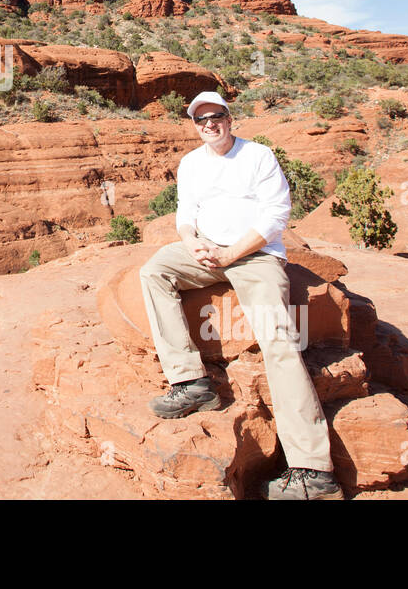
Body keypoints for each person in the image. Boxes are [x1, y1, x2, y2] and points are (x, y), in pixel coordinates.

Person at [138, 90, 342, 501]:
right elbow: (185, 213)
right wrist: (191, 242)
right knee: (153, 271)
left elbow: (276, 214)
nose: (209, 124)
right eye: (201, 119)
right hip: (207, 250)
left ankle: (314, 469)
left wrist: (233, 252)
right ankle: (192, 383)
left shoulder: (258, 156)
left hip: (255, 256)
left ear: (230, 119)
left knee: (279, 342)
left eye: (216, 116)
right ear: (194, 125)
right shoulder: (191, 163)